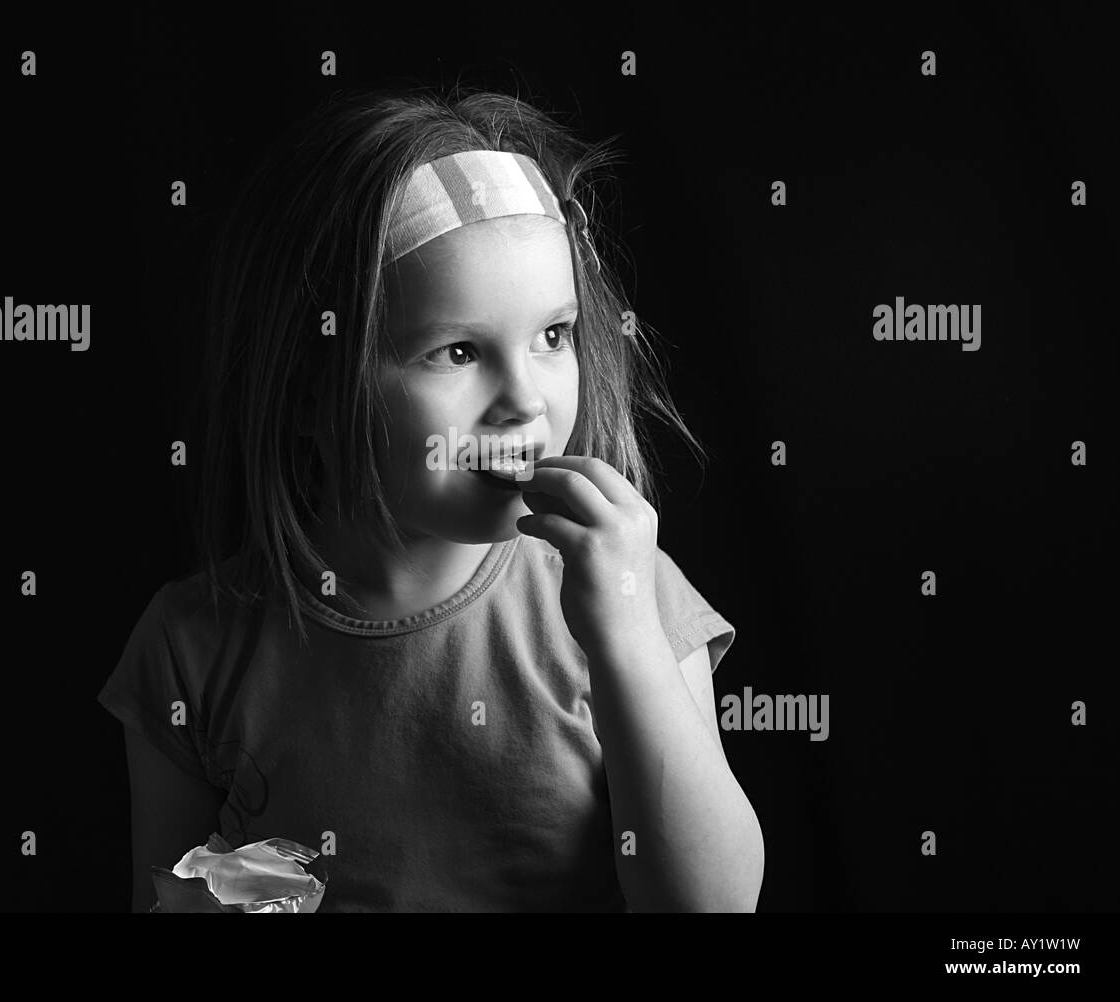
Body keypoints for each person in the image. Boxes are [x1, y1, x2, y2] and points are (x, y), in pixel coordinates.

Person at [98, 85, 764, 913]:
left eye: (554, 337)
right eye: (455, 351)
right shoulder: (191, 649)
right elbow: (162, 897)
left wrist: (626, 637)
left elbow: (710, 905)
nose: (524, 400)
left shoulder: (631, 592)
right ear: (309, 391)